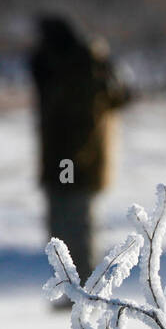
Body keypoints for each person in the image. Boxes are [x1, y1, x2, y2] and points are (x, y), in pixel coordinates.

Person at [29, 15, 131, 287]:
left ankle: (85, 291)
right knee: (61, 230)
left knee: (77, 228)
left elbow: (85, 116)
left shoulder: (84, 67)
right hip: (62, 161)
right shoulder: (66, 65)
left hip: (79, 163)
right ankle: (74, 289)